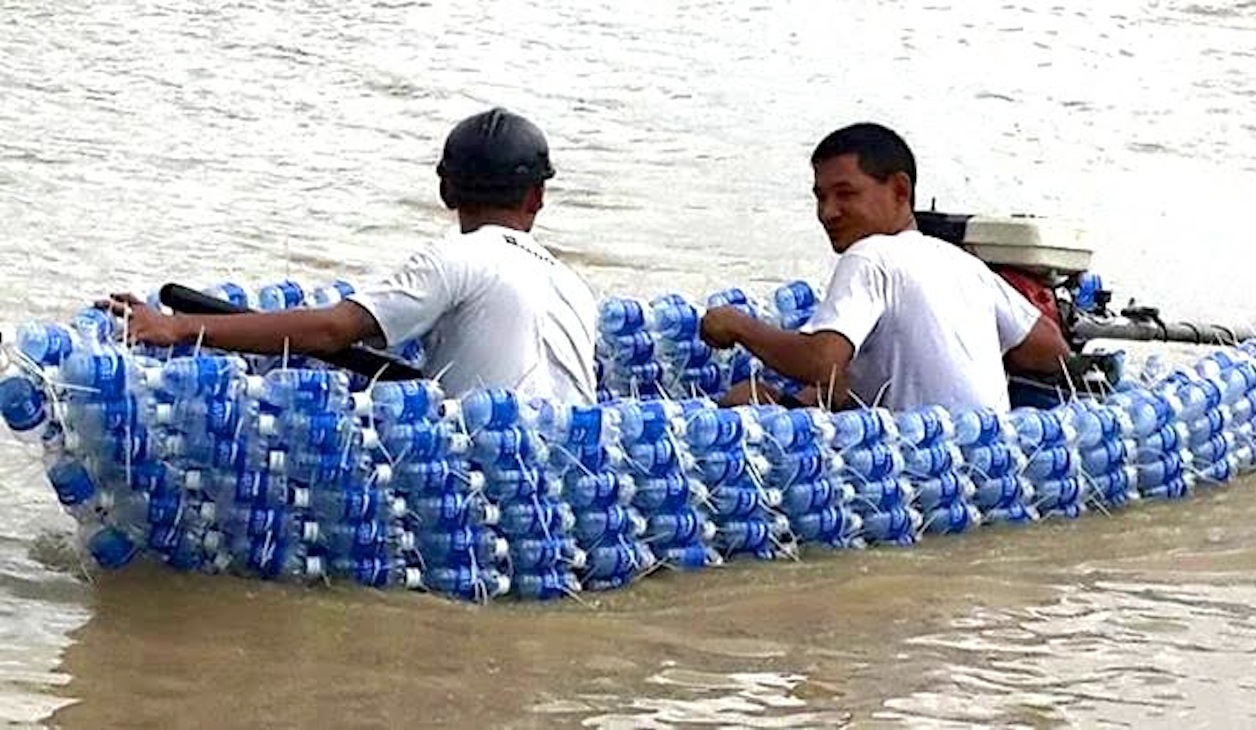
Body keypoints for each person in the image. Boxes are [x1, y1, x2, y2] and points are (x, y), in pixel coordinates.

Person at [103, 108, 598, 405]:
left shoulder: (456, 258)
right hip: (568, 475)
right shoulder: (575, 286)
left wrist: (180, 327)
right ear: (537, 197)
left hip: (486, 469)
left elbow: (332, 331)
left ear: (447, 192)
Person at [700, 122, 1070, 412]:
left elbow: (822, 362)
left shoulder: (869, 255)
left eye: (846, 194)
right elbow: (1050, 348)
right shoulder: (963, 263)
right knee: (820, 396)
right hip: (977, 451)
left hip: (912, 458)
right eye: (821, 197)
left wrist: (738, 325)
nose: (827, 212)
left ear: (899, 190)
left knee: (746, 398)